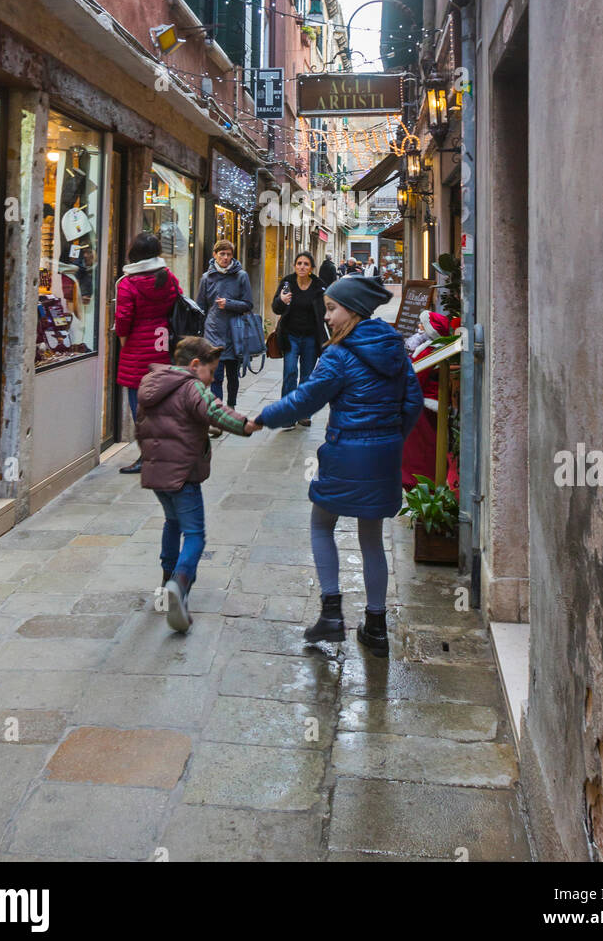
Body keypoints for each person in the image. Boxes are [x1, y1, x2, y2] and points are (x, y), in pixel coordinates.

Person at [253, 275, 424, 657]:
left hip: (345, 452)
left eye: (332, 309)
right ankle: (376, 627)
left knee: (320, 525)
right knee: (371, 539)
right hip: (382, 456)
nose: (326, 317)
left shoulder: (338, 355)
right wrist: (391, 438)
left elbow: (303, 401)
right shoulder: (394, 348)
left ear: (354, 310)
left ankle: (331, 615)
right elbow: (412, 402)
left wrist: (262, 418)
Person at [135, 336, 258, 632]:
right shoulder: (192, 387)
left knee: (171, 522)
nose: (212, 379)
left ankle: (167, 579)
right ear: (194, 365)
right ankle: (180, 583)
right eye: (211, 371)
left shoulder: (151, 382)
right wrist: (245, 424)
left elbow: (144, 425)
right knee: (195, 534)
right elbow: (215, 410)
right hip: (183, 473)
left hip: (157, 472)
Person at [115, 232, 181, 473]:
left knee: (139, 407)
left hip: (137, 352)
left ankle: (148, 457)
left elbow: (123, 321)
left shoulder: (128, 283)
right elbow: (177, 305)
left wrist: (125, 343)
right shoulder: (169, 278)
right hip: (163, 348)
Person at [196, 239, 253, 432]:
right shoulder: (207, 278)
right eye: (222, 254)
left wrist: (229, 304)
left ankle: (232, 407)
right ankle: (219, 418)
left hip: (235, 334)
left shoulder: (241, 276)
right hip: (213, 334)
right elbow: (200, 307)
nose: (225, 258)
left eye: (228, 254)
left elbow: (248, 304)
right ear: (215, 255)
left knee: (233, 376)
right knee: (216, 377)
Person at [271, 252, 328, 429]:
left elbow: (327, 312)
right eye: (299, 263)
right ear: (295, 266)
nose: (302, 267)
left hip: (311, 337)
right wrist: (281, 300)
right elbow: (276, 308)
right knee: (289, 372)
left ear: (311, 268)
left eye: (306, 264)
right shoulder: (287, 282)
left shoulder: (319, 286)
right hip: (290, 336)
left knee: (307, 376)